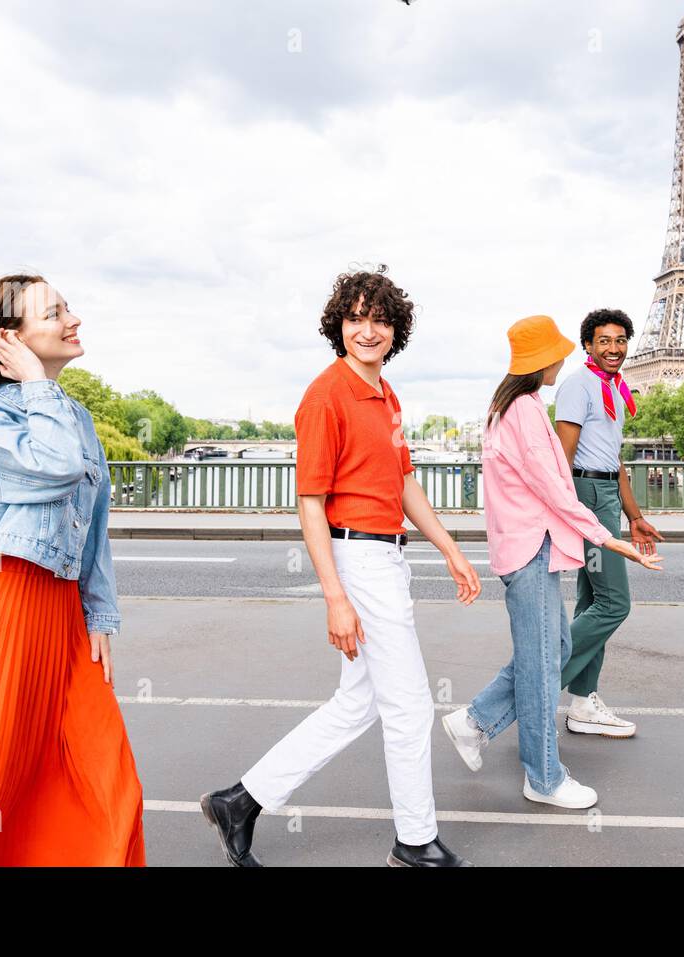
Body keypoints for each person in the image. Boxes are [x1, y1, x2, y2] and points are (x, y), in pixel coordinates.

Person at [201, 269, 482, 867]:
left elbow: (405, 482)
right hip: (357, 559)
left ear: (395, 329)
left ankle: (240, 802)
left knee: (358, 704)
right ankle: (414, 841)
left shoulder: (386, 394)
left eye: (380, 319)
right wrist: (335, 596)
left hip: (388, 555)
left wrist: (451, 550)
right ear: (339, 326)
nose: (368, 330)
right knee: (408, 706)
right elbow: (309, 502)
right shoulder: (326, 395)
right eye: (356, 318)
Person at [0, 274, 145, 866]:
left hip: (64, 613)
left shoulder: (74, 412)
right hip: (6, 608)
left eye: (67, 306)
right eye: (54, 313)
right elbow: (52, 469)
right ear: (11, 339)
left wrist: (98, 614)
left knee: (108, 783)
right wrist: (32, 383)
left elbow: (96, 524)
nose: (73, 319)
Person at [441, 316, 661, 806]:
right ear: (544, 359)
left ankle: (475, 720)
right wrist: (611, 538)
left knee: (555, 651)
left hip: (527, 544)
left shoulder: (514, 404)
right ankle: (544, 778)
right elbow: (556, 486)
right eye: (558, 353)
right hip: (530, 547)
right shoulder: (524, 409)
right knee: (544, 665)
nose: (562, 361)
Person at [554, 309, 663, 737]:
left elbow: (613, 459)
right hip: (584, 495)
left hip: (604, 496)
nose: (613, 348)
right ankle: (536, 684)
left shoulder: (615, 389)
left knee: (590, 602)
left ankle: (582, 703)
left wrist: (634, 516)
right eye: (604, 341)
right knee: (615, 603)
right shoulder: (578, 386)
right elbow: (563, 457)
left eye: (620, 340)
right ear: (588, 345)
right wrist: (566, 510)